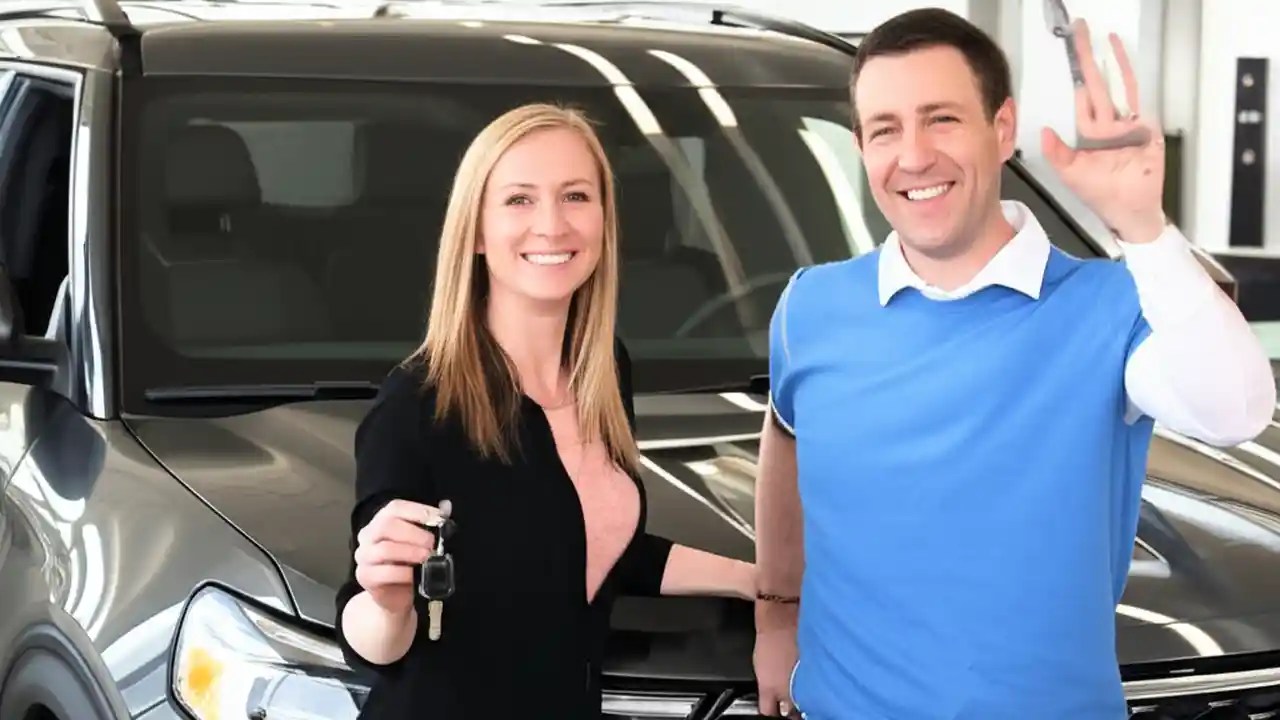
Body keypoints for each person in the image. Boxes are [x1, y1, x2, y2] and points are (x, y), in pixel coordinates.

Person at [752, 9, 1275, 720]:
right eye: (885, 129)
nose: (914, 156)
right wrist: (776, 615)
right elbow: (785, 435)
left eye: (941, 119)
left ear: (1002, 129)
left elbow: (1236, 411)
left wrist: (1143, 227)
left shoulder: (1111, 306)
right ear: (861, 148)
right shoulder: (811, 307)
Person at [334, 102, 756, 719]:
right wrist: (387, 602)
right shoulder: (419, 403)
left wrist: (758, 580)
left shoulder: (603, 370)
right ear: (477, 232)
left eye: (576, 196)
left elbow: (585, 544)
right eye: (519, 200)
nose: (552, 225)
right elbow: (370, 636)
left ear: (604, 219)